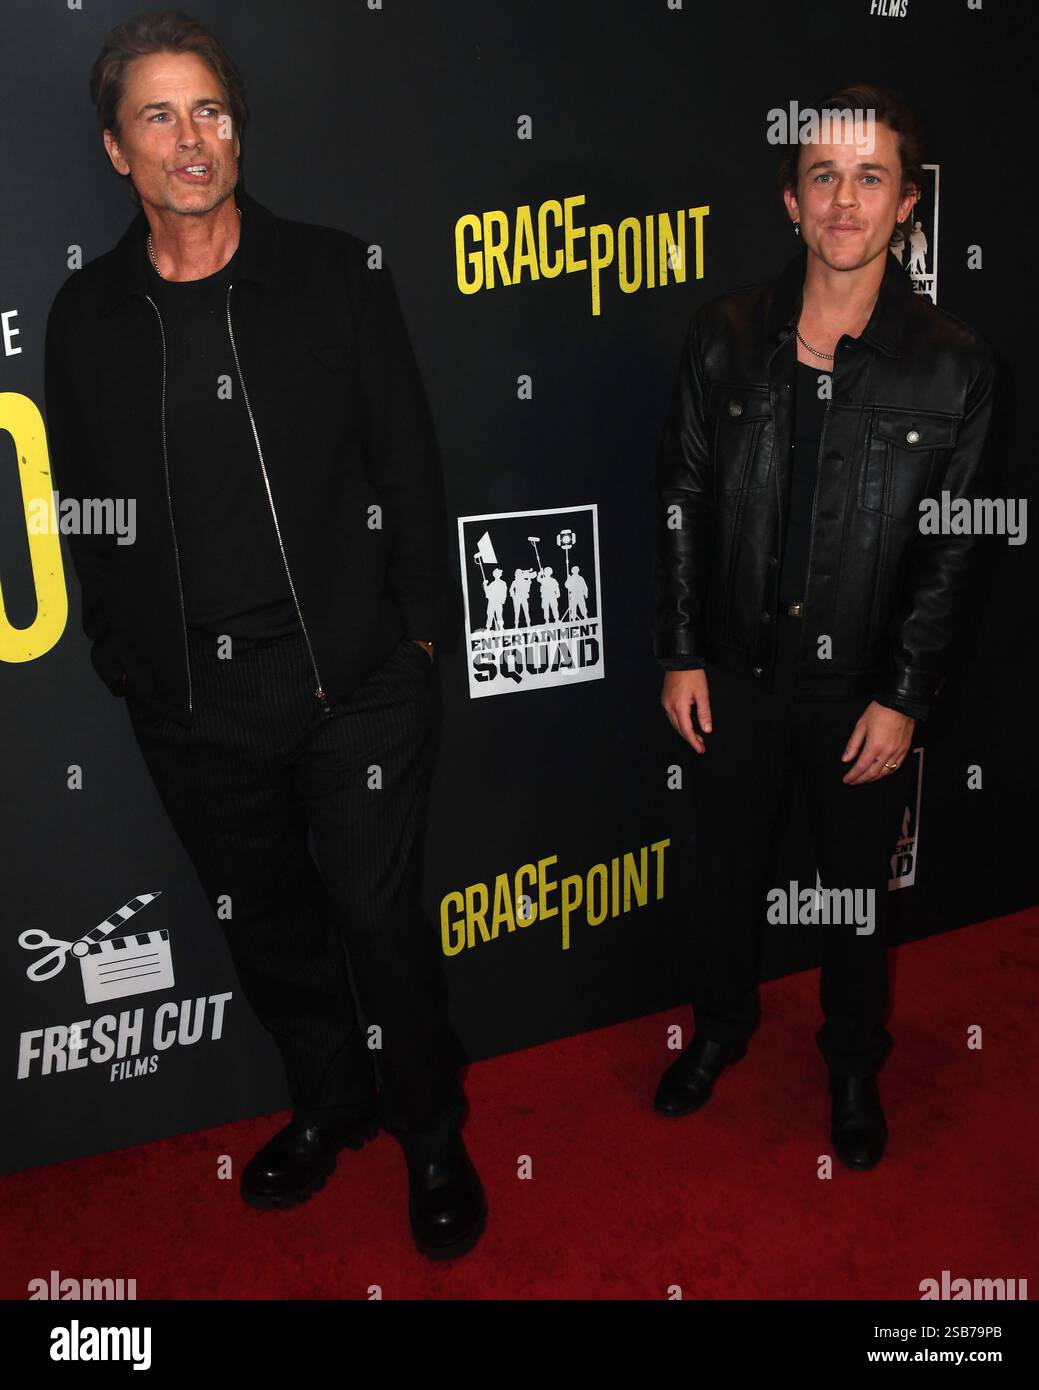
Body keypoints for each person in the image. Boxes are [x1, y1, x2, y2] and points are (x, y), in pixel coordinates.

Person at [44, 11, 484, 1257]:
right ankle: (329, 1102)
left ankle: (430, 1126)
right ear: (117, 150)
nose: (193, 140)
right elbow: (83, 505)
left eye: (211, 112)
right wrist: (126, 660)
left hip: (353, 682)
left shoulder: (333, 274)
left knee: (379, 924)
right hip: (192, 700)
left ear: (237, 130)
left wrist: (417, 641)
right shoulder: (86, 319)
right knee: (272, 931)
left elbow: (407, 459)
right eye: (160, 116)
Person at [651, 84, 995, 1169]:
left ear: (905, 207)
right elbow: (683, 502)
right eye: (822, 177)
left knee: (855, 901)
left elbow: (952, 549)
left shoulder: (953, 367)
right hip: (735, 676)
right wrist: (678, 652)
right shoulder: (724, 336)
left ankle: (850, 1062)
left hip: (859, 696)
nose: (843, 200)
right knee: (722, 876)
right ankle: (716, 1028)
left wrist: (901, 695)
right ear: (789, 200)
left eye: (869, 178)